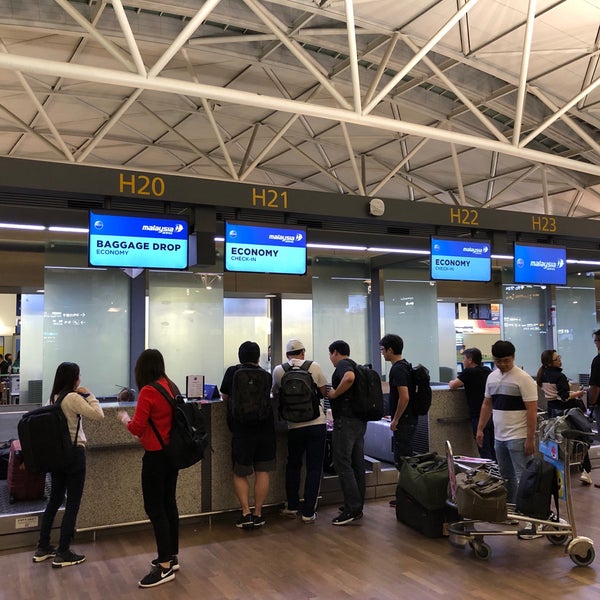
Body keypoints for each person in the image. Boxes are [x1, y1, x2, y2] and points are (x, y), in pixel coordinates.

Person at [117, 349, 181, 588]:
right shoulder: (170, 386)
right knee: (168, 504)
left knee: (154, 508)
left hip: (155, 457)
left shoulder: (148, 391)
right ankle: (171, 556)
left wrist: (124, 417)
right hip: (172, 455)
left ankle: (164, 566)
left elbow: (137, 427)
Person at [33, 362, 104, 567]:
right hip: (74, 456)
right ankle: (63, 551)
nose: (80, 379)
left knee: (54, 500)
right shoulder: (72, 398)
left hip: (57, 457)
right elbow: (98, 414)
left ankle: (43, 546)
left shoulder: (52, 398)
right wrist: (89, 395)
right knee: (72, 503)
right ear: (73, 378)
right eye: (78, 375)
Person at [220, 341, 275, 529]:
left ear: (239, 356)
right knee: (262, 471)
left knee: (240, 471)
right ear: (258, 357)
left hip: (242, 429)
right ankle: (259, 513)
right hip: (265, 429)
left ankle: (245, 513)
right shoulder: (267, 376)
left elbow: (224, 397)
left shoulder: (232, 372)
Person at [272, 339, 328, 523]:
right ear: (303, 352)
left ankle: (292, 506)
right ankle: (308, 512)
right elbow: (323, 392)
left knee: (293, 465)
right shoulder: (315, 366)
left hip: (294, 425)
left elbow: (276, 393)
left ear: (288, 355)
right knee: (313, 467)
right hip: (316, 423)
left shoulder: (279, 371)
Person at [477, 340, 538, 505]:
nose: (502, 364)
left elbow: (532, 410)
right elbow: (487, 403)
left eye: (506, 360)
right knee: (505, 476)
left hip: (519, 436)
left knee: (524, 476)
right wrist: (480, 428)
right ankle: (511, 508)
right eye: (498, 361)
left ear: (513, 357)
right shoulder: (491, 377)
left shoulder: (524, 379)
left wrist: (530, 438)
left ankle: (528, 511)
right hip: (499, 436)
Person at [535, 349, 591, 485]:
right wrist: (577, 394)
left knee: (556, 442)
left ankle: (556, 473)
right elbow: (564, 397)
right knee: (582, 436)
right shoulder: (559, 376)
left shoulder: (542, 375)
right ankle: (586, 470)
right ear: (550, 362)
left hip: (552, 411)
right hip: (566, 412)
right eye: (557, 358)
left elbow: (555, 395)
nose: (560, 360)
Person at [327, 339, 365, 526]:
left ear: (335, 352)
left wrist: (334, 394)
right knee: (357, 464)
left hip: (346, 422)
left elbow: (348, 378)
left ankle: (352, 508)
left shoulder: (343, 365)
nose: (330, 359)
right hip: (359, 421)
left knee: (343, 464)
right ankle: (357, 505)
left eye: (330, 355)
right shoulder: (356, 365)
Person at [449, 347, 495, 461]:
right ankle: (499, 473)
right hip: (491, 414)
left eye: (464, 358)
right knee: (493, 448)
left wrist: (451, 381)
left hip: (478, 415)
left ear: (470, 360)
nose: (463, 361)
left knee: (483, 449)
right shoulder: (487, 371)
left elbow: (453, 385)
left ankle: (490, 473)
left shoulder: (468, 372)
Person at [379, 334, 417, 468]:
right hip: (409, 419)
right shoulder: (406, 365)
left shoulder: (398, 369)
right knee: (405, 460)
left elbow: (404, 396)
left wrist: (396, 419)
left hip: (404, 421)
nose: (382, 353)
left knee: (403, 462)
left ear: (390, 350)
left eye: (382, 349)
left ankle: (409, 488)